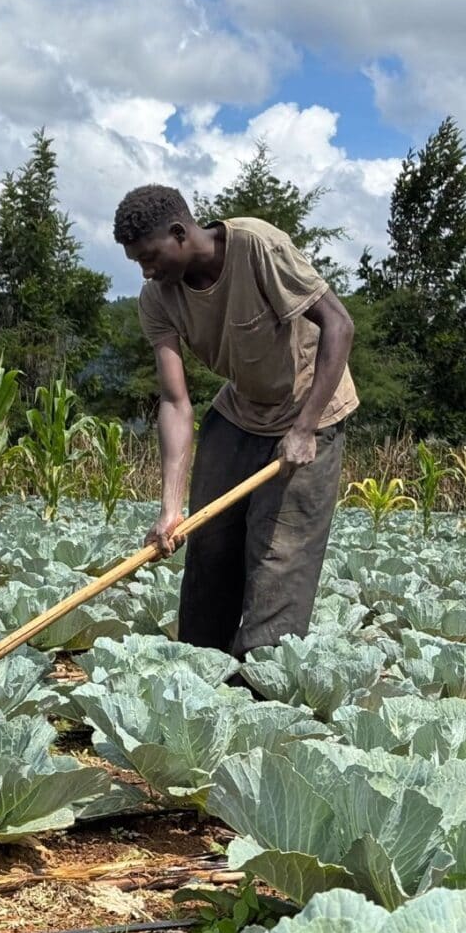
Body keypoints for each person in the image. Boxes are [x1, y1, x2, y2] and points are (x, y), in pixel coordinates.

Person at [112, 184, 357, 660]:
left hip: (310, 410)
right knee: (209, 546)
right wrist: (169, 508)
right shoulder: (157, 299)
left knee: (279, 559)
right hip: (241, 411)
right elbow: (175, 401)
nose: (146, 271)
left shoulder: (257, 246)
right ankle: (201, 670)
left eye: (150, 256)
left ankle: (260, 689)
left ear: (180, 233)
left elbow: (339, 324)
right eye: (137, 262)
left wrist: (305, 429)